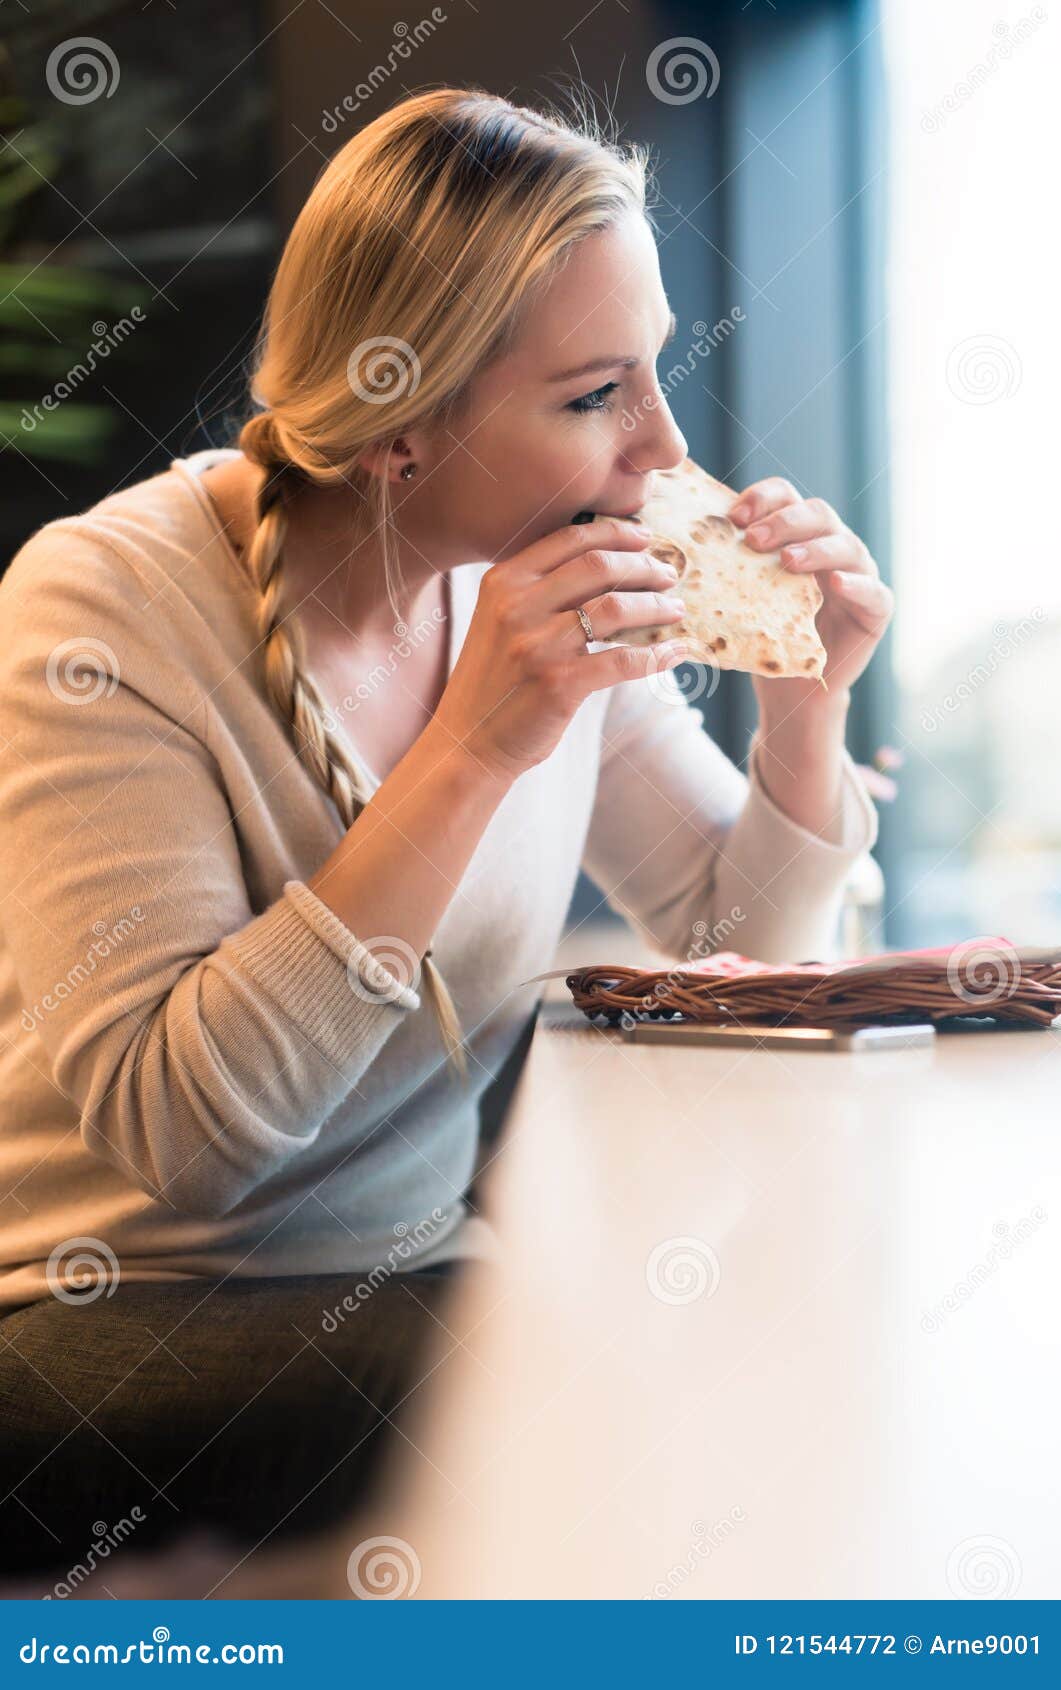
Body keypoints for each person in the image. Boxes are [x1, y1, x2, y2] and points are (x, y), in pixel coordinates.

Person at [0, 87, 892, 1574]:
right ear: (401, 427)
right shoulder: (101, 608)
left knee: (752, 1314)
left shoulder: (527, 582)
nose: (662, 446)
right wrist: (475, 746)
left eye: (652, 374)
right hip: (106, 1313)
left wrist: (806, 699)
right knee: (600, 1362)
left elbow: (734, 942)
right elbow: (186, 1139)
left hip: (412, 1278)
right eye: (595, 393)